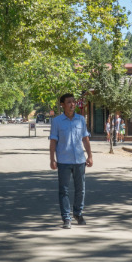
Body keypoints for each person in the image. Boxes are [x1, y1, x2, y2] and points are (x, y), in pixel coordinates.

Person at [49, 94, 93, 229]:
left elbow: (85, 139)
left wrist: (90, 156)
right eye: (69, 102)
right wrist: (52, 159)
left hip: (79, 160)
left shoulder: (80, 120)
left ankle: (78, 213)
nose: (72, 104)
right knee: (64, 190)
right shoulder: (56, 121)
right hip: (63, 161)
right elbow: (53, 141)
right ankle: (66, 218)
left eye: (74, 102)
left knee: (81, 190)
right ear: (62, 104)